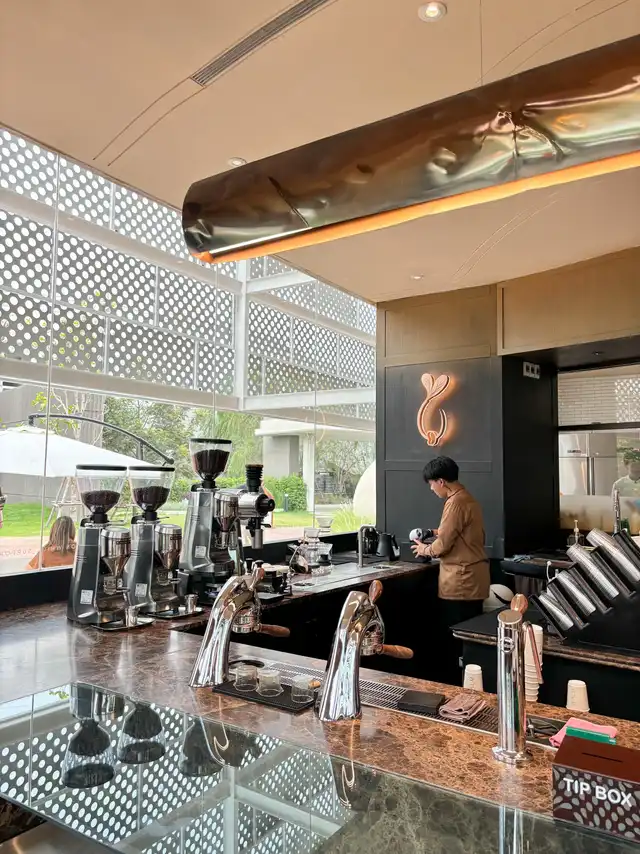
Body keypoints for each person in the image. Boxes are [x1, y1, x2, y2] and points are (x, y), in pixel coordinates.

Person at [411, 456, 490, 685]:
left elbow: (442, 546)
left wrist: (424, 549)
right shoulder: (468, 498)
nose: (431, 489)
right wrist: (435, 532)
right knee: (470, 639)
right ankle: (470, 684)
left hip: (460, 580)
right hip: (475, 577)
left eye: (431, 484)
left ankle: (455, 686)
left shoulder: (454, 502)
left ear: (441, 481)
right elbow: (461, 533)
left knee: (456, 639)